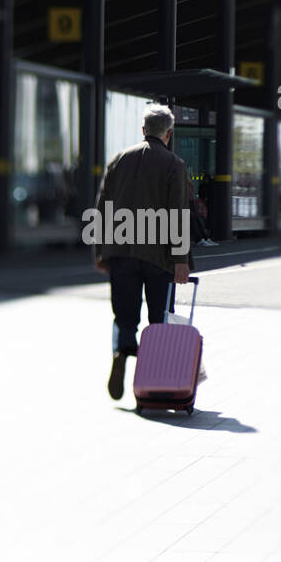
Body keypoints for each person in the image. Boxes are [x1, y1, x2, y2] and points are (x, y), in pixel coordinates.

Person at [93, 104, 193, 400]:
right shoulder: (173, 164)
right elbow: (177, 213)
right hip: (159, 257)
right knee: (158, 320)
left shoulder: (119, 159)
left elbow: (102, 208)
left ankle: (122, 351)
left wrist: (101, 252)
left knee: (124, 314)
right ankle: (153, 380)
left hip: (121, 252)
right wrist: (180, 260)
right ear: (169, 133)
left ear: (143, 130)